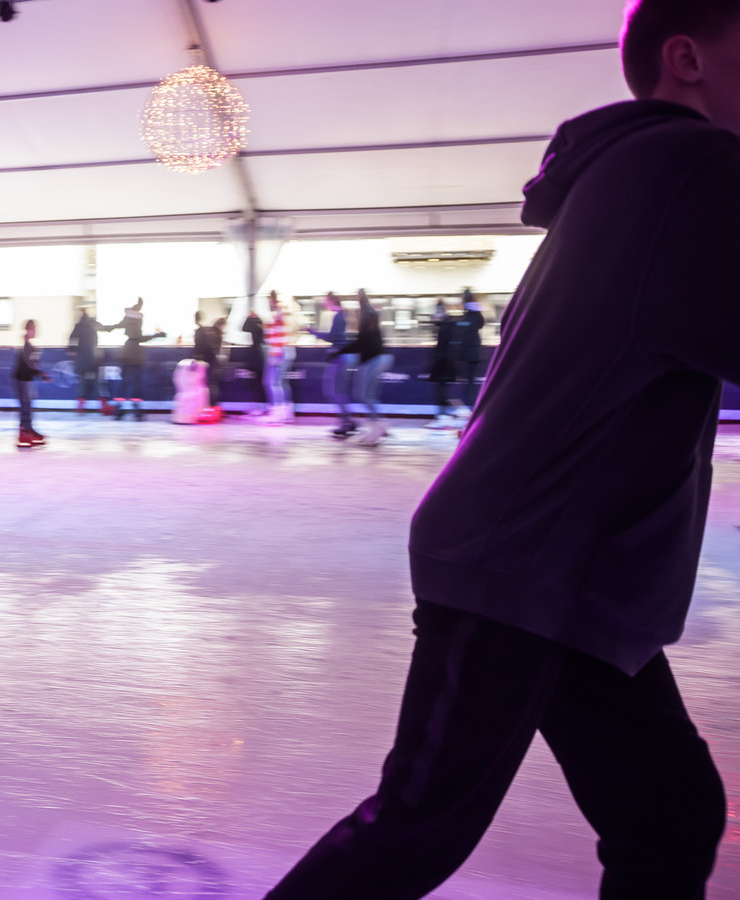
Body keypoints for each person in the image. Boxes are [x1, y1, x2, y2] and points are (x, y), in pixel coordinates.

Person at [264, 1, 737, 895]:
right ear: (687, 58)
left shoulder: (636, 170)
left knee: (668, 812)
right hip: (522, 557)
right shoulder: (688, 163)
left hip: (567, 564)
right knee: (418, 825)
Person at [330, 290, 392, 445]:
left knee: (363, 394)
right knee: (368, 395)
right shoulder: (370, 314)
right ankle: (379, 425)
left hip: (374, 359)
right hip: (379, 358)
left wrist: (340, 351)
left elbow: (361, 343)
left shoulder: (366, 316)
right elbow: (364, 342)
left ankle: (377, 426)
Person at [107, 298, 164, 421]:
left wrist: (106, 327)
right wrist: (156, 335)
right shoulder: (136, 320)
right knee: (136, 383)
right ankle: (136, 409)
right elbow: (139, 337)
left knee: (124, 382)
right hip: (135, 355)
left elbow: (117, 326)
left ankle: (119, 409)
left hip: (126, 354)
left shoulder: (128, 319)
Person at [309, 291, 357, 437]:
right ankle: (349, 421)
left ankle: (346, 422)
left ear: (330, 301)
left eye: (325, 300)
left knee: (334, 391)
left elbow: (332, 337)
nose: (324, 303)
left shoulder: (338, 316)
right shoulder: (343, 315)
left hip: (340, 357)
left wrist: (312, 331)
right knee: (339, 391)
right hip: (346, 357)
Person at [260, 291, 296, 425]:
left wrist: (275, 355)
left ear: (272, 300)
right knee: (282, 382)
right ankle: (286, 413)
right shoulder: (282, 315)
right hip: (286, 350)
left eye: (269, 300)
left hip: (280, 351)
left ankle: (278, 414)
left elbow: (276, 337)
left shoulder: (278, 315)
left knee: (273, 383)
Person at [68, 305, 112, 414]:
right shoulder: (93, 323)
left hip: (82, 358)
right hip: (94, 358)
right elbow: (106, 329)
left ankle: (80, 406)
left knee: (82, 382)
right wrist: (118, 325)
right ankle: (103, 406)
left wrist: (72, 349)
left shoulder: (78, 326)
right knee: (98, 382)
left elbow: (71, 339)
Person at [12, 318, 50, 447]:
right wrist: (41, 374)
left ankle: (28, 428)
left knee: (27, 406)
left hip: (26, 379)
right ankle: (23, 432)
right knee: (25, 407)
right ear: (28, 330)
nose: (35, 331)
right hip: (22, 379)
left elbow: (32, 364)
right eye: (33, 329)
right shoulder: (26, 346)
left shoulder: (29, 346)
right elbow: (29, 364)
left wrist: (40, 374)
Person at [425, 299, 459, 428]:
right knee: (441, 391)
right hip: (445, 364)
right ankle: (444, 416)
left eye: (437, 312)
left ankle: (453, 412)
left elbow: (442, 348)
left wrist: (435, 365)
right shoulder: (446, 324)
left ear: (441, 311)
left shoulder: (445, 326)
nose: (435, 314)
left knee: (441, 392)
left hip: (443, 364)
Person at [454, 289, 486, 414]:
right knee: (469, 384)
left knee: (470, 384)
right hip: (470, 354)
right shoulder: (470, 314)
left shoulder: (472, 315)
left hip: (470, 354)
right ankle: (472, 408)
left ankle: (473, 408)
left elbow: (478, 325)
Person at [192, 312, 225, 409]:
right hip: (212, 360)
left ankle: (205, 406)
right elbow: (218, 348)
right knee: (212, 384)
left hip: (203, 361)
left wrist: (196, 359)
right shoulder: (216, 332)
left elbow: (197, 347)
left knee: (203, 384)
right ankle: (213, 406)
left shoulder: (200, 331)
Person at [240, 303, 266, 415]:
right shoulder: (261, 324)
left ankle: (257, 407)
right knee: (259, 382)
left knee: (255, 382)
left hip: (256, 355)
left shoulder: (254, 325)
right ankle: (260, 406)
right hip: (261, 354)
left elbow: (244, 327)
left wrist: (249, 317)